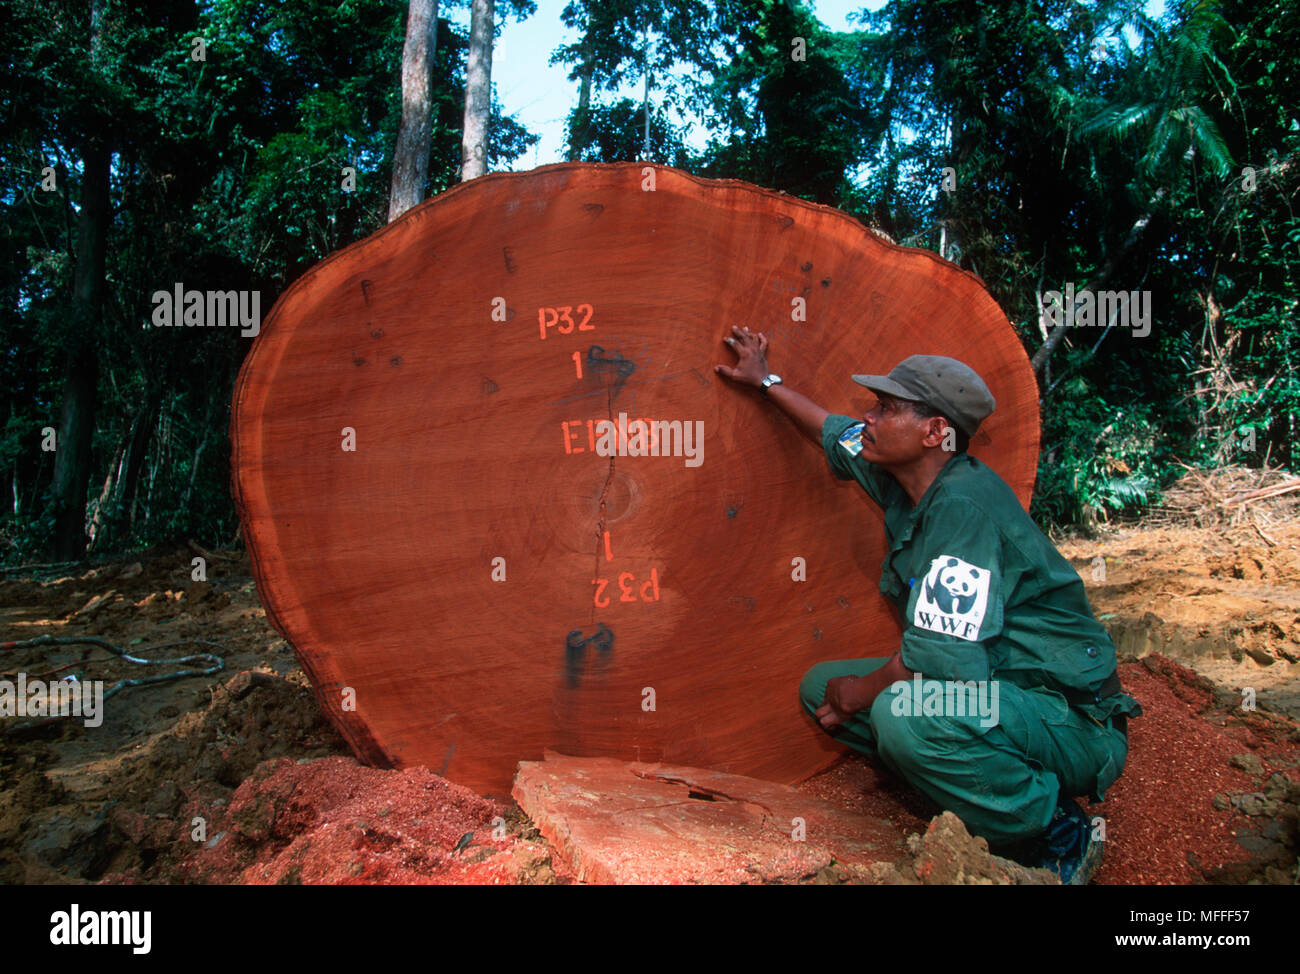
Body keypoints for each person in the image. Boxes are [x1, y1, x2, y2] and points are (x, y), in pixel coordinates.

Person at [715, 325, 1142, 884]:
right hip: (996, 691)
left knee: (900, 713)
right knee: (821, 687)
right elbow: (831, 429)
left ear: (935, 430)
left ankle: (1054, 828)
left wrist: (859, 693)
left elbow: (931, 664)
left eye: (886, 407)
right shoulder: (899, 473)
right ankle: (970, 778)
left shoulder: (964, 508)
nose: (868, 416)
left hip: (1067, 715)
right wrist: (766, 381)